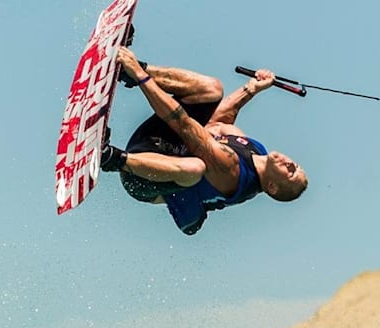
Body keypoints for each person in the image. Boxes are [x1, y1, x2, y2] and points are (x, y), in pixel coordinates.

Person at [99, 46, 309, 235]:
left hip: (142, 179)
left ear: (271, 187)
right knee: (212, 89)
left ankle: (109, 157)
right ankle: (125, 70)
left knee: (194, 168)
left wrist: (141, 75)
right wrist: (252, 88)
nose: (291, 164)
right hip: (161, 144)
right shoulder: (257, 150)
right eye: (296, 165)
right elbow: (219, 120)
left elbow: (182, 124)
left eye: (290, 173)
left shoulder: (232, 173)